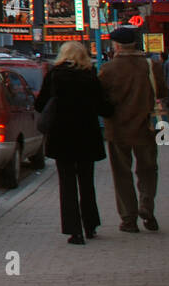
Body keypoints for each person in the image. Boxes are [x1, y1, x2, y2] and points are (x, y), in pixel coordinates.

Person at [34, 41, 113, 245]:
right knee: (87, 182)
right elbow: (103, 107)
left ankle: (74, 230)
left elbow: (40, 104)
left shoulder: (54, 75)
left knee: (67, 184)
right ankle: (90, 225)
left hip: (62, 136)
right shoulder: (90, 75)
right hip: (87, 134)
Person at [98, 27, 167, 232]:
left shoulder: (109, 69)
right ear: (135, 44)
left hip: (118, 129)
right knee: (148, 170)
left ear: (116, 45)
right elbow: (162, 91)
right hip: (147, 127)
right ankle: (147, 206)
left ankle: (128, 218)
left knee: (122, 173)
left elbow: (100, 98)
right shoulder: (151, 66)